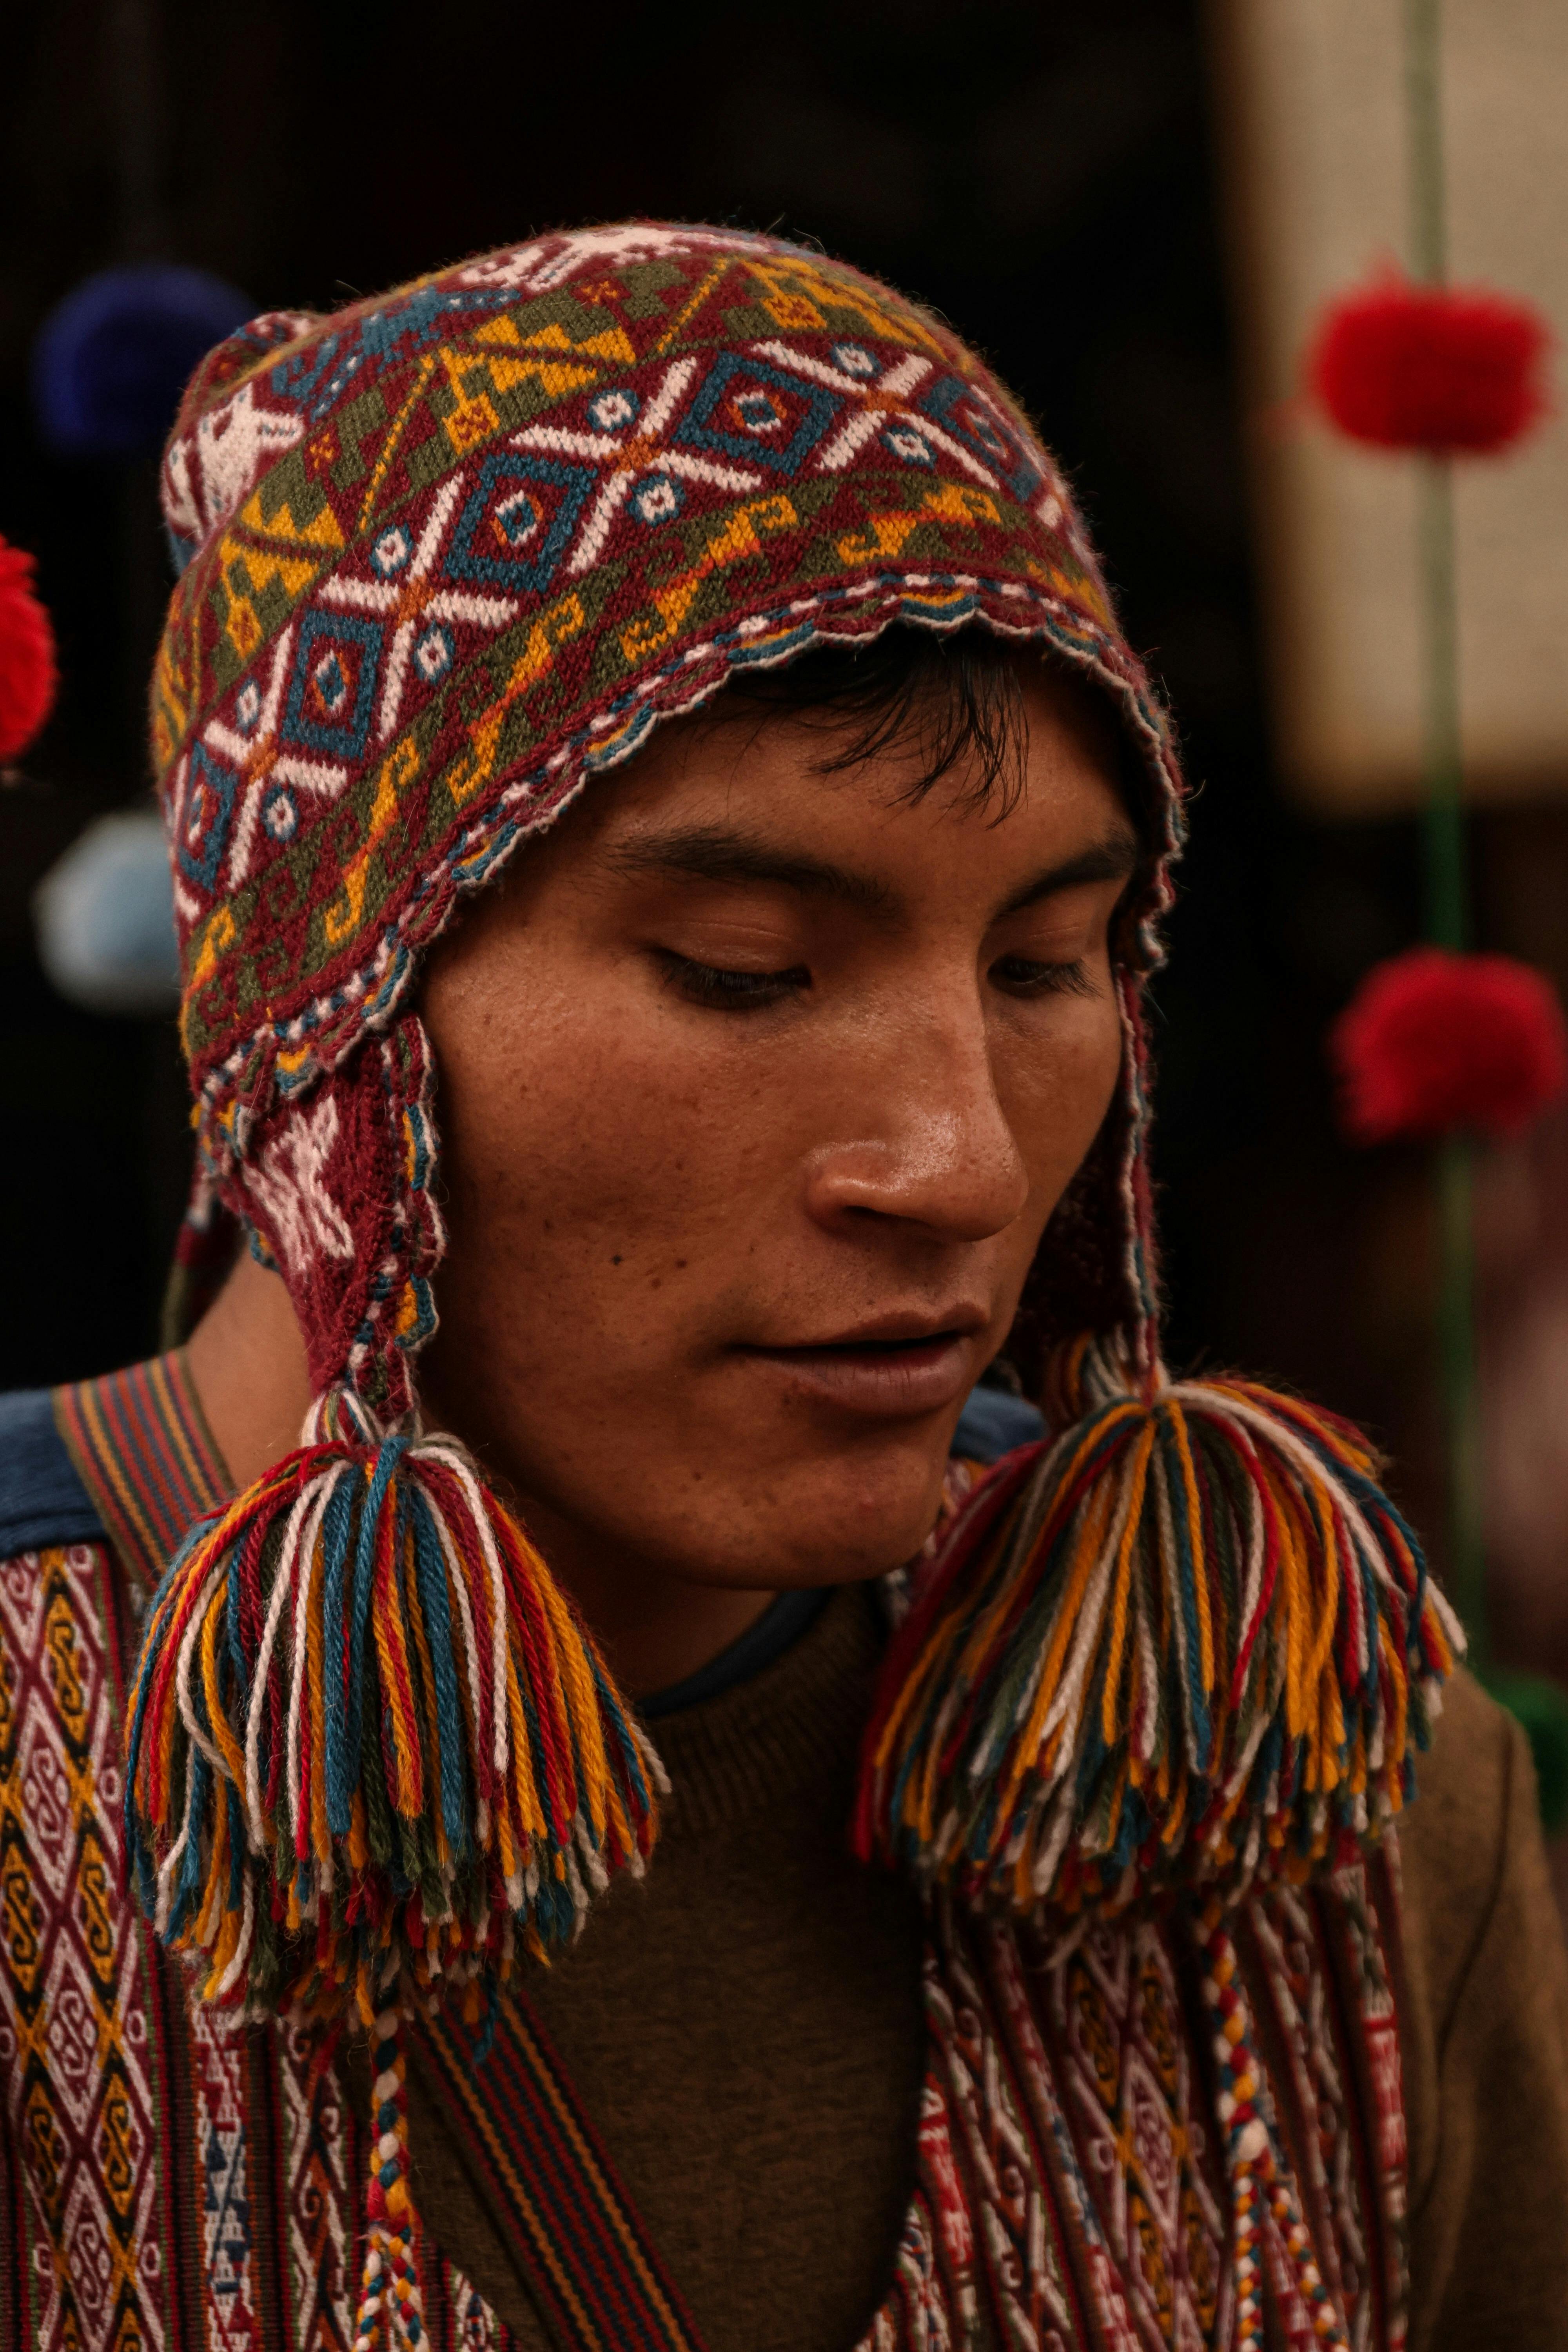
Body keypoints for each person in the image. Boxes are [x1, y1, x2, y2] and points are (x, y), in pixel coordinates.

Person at [2, 222, 1565, 2352]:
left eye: (1046, 967)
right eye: (747, 976)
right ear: (329, 1026)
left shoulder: (1294, 1788)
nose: (967, 1162)